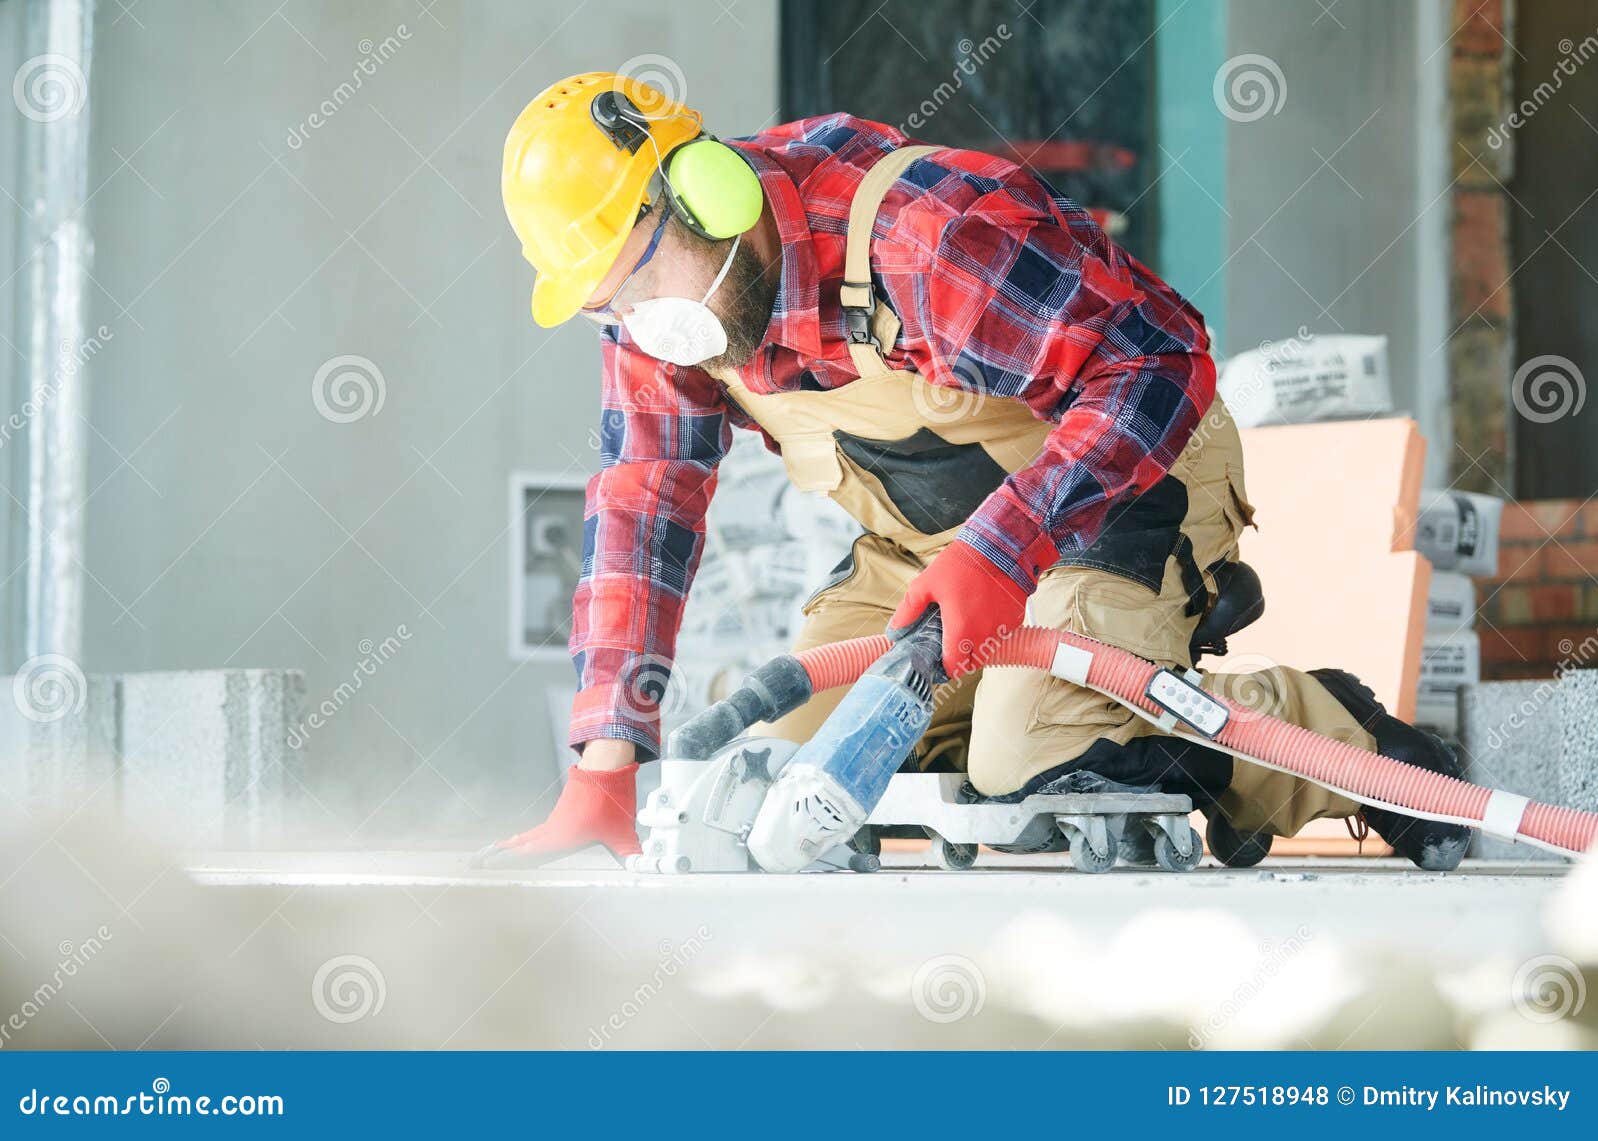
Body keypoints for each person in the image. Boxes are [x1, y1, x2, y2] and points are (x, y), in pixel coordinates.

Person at [485, 70, 1467, 871]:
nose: (640, 325)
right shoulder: (666, 332)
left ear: (707, 191)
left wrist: (1005, 549)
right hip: (929, 548)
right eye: (605, 306)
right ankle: (1022, 722)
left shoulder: (922, 235)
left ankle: (1348, 746)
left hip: (1120, 486)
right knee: (779, 759)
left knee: (1033, 753)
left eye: (641, 275)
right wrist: (604, 761)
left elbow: (1159, 360)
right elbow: (640, 514)